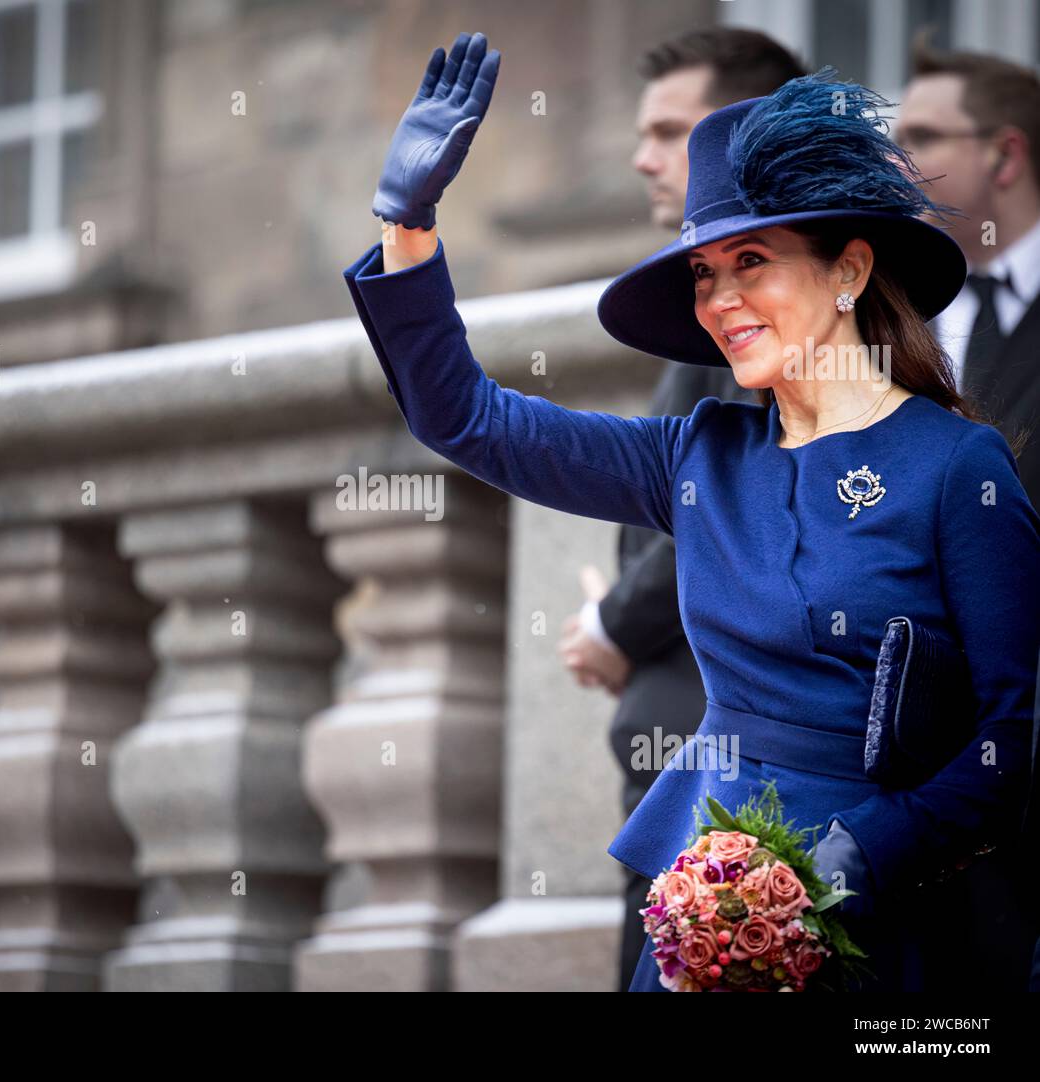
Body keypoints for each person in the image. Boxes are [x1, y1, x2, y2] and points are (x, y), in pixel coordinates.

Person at [346, 31, 1040, 992]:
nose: (720, 299)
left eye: (751, 261)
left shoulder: (958, 466)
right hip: (703, 908)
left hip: (884, 924)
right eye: (705, 273)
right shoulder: (696, 454)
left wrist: (864, 855)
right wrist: (407, 228)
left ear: (848, 271)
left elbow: (1015, 736)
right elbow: (468, 420)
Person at [553, 28, 804, 994]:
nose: (641, 156)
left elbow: (727, 496)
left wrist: (614, 620)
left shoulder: (767, 302)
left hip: (729, 757)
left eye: (670, 130)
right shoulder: (721, 291)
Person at [896, 39, 1040, 992]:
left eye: (920, 138)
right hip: (916, 783)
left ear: (1006, 156)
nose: (895, 162)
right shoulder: (893, 325)